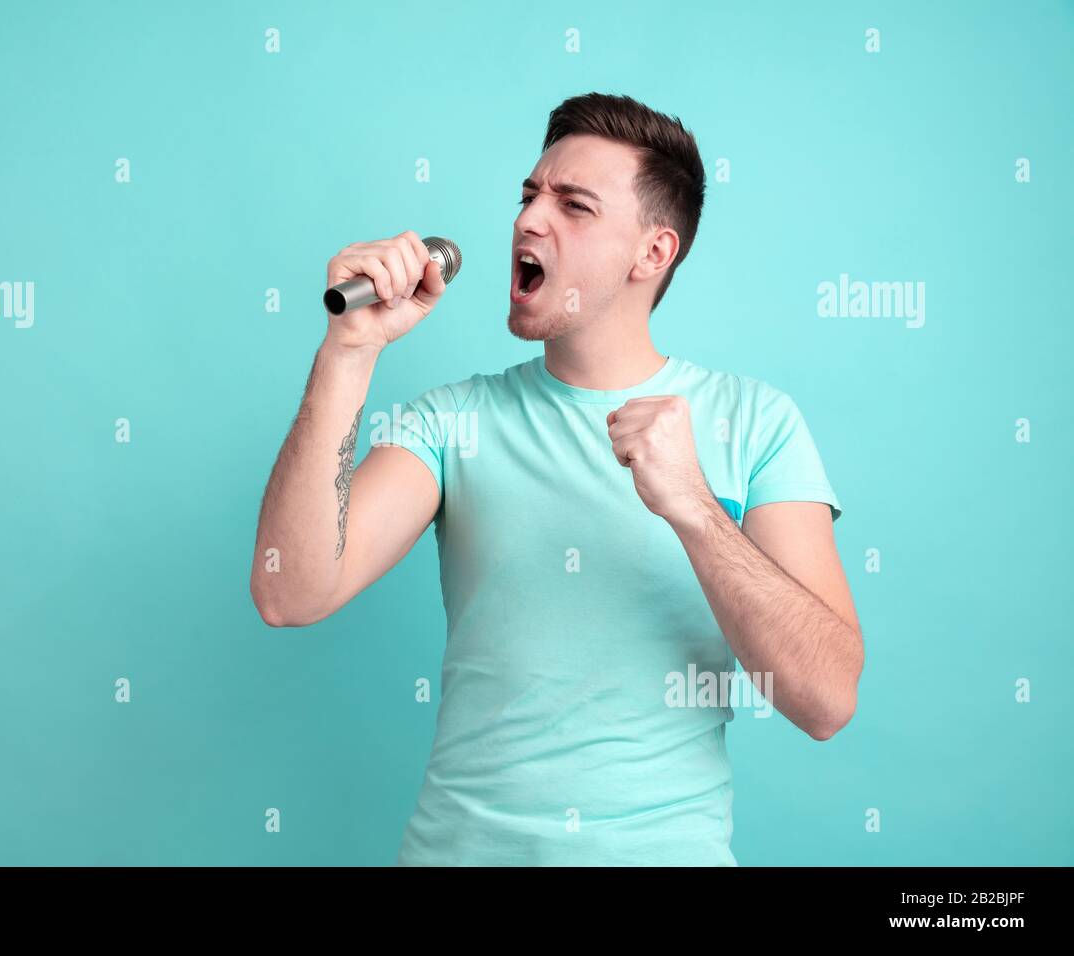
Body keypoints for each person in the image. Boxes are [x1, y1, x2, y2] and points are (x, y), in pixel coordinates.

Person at [250, 92, 864, 866]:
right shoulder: (453, 422)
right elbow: (289, 592)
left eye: (573, 205)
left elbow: (825, 700)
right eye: (529, 195)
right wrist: (348, 353)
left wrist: (695, 508)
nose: (528, 221)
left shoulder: (757, 421)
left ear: (653, 253)